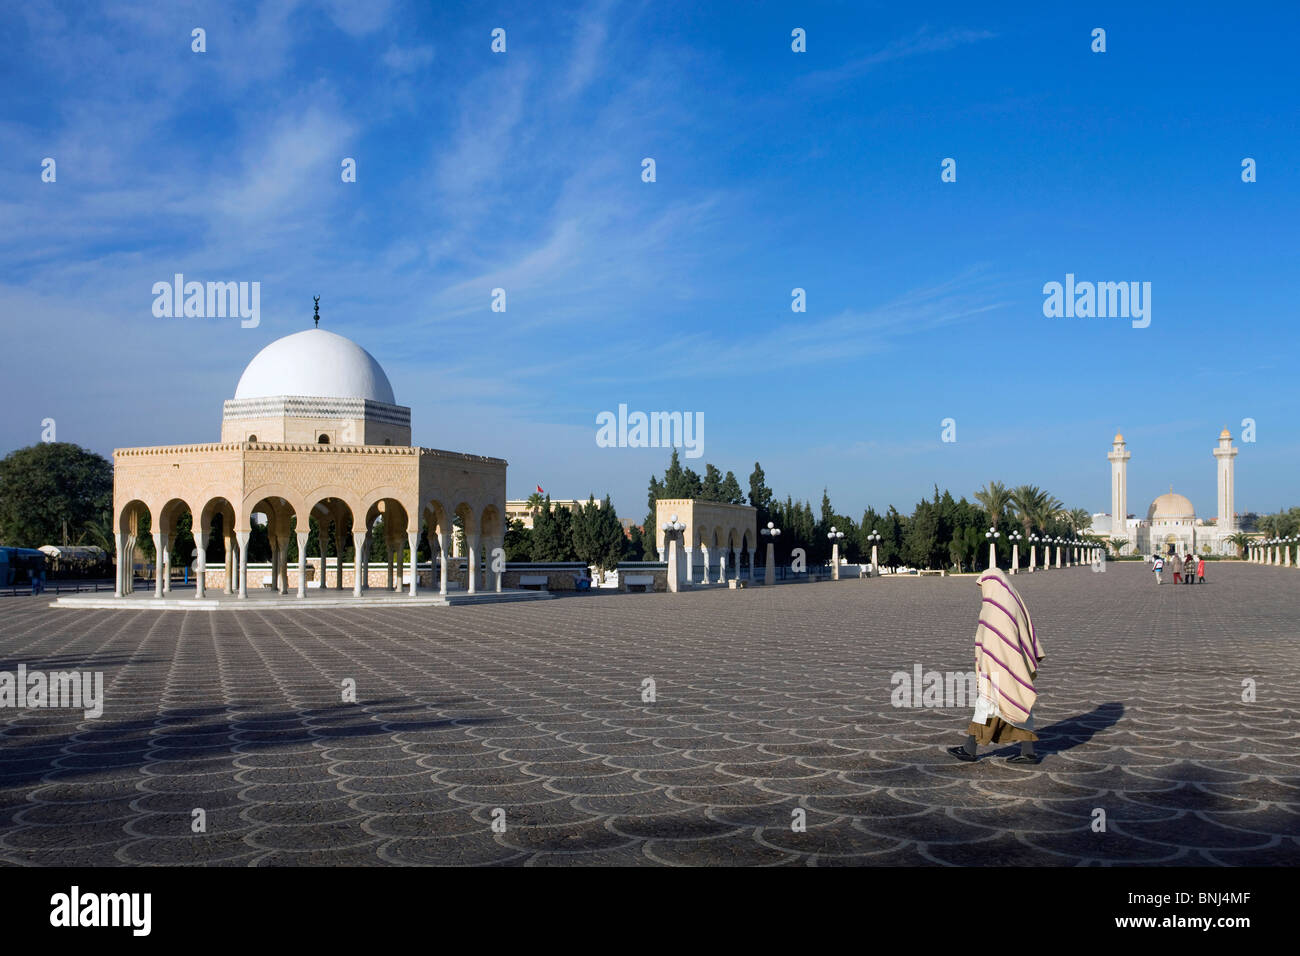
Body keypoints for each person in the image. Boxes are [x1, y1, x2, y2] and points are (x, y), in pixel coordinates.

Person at [949, 567, 1045, 765]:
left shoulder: (994, 609)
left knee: (985, 705)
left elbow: (993, 641)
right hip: (1011, 664)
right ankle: (1027, 752)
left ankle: (970, 749)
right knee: (1018, 700)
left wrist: (991, 666)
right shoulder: (1013, 601)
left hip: (996, 667)